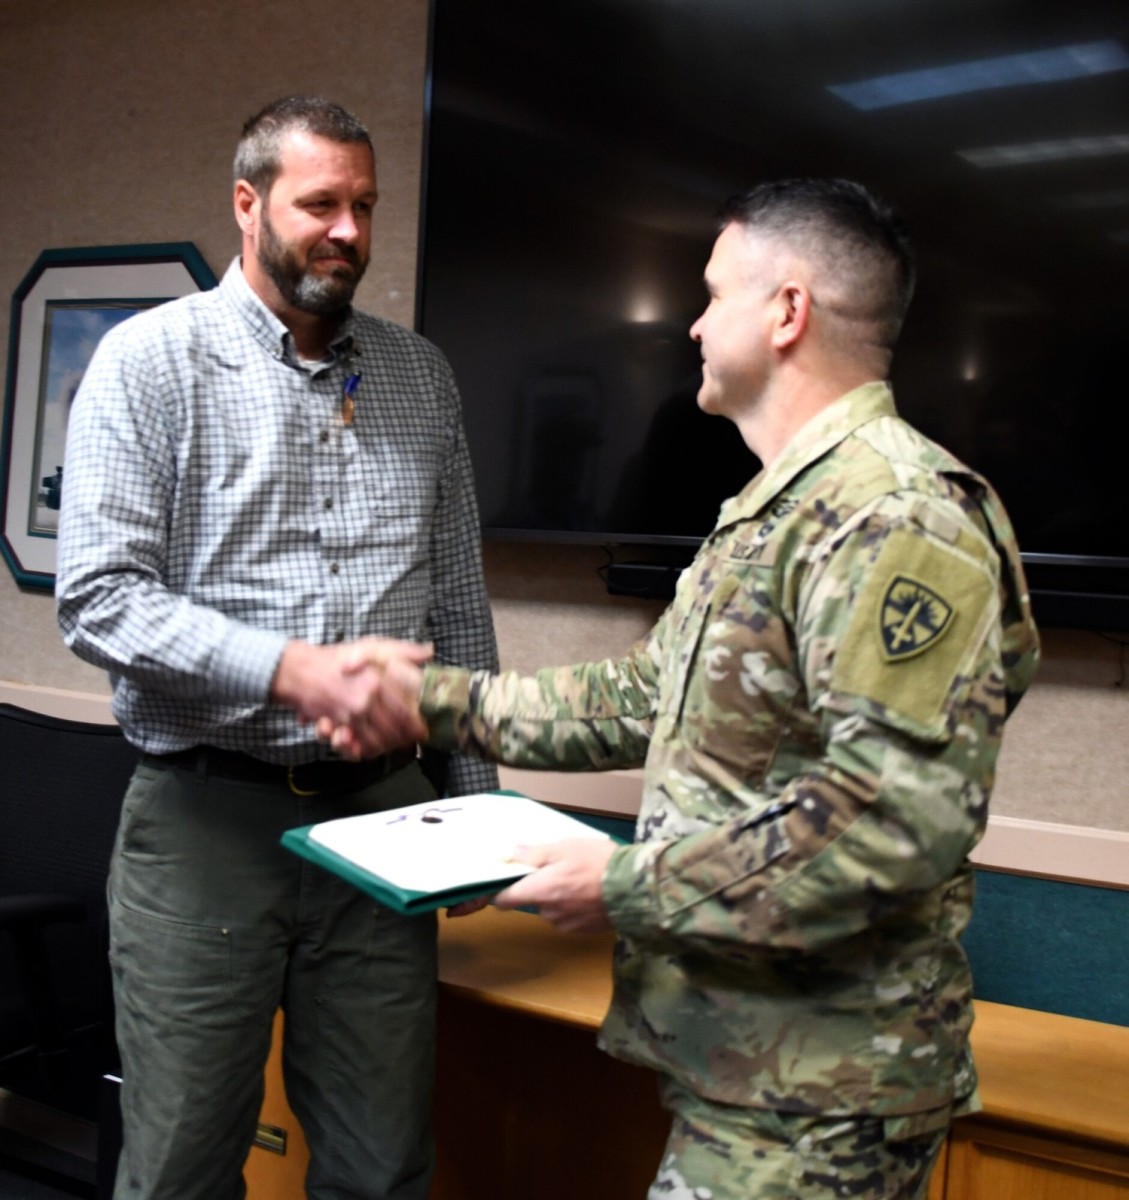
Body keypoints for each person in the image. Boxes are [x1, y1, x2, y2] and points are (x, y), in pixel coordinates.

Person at [339, 178, 1041, 1199]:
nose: (694, 322)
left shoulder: (898, 518)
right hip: (747, 1069)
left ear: (787, 312)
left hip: (823, 1091)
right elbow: (647, 693)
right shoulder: (776, 510)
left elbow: (886, 823)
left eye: (713, 294)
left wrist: (620, 885)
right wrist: (431, 702)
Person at [55, 96, 499, 1200]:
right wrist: (287, 666)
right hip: (208, 821)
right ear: (248, 205)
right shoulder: (149, 364)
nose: (348, 230)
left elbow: (457, 601)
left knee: (381, 1166)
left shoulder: (419, 375)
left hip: (386, 823)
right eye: (321, 204)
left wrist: (478, 803)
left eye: (364, 206)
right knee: (181, 1169)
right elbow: (99, 598)